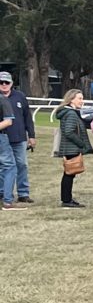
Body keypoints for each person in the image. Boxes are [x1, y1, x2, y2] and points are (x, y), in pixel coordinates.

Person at [54, 90, 93, 209]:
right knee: (69, 174)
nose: (82, 101)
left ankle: (67, 198)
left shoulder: (71, 112)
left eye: (82, 98)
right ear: (71, 99)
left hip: (70, 147)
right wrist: (81, 144)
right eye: (79, 98)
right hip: (71, 148)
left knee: (69, 174)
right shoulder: (70, 113)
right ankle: (66, 200)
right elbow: (69, 131)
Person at [0, 71, 24, 207]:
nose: (3, 84)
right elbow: (8, 121)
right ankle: (7, 200)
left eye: (6, 82)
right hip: (2, 136)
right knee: (9, 167)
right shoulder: (3, 100)